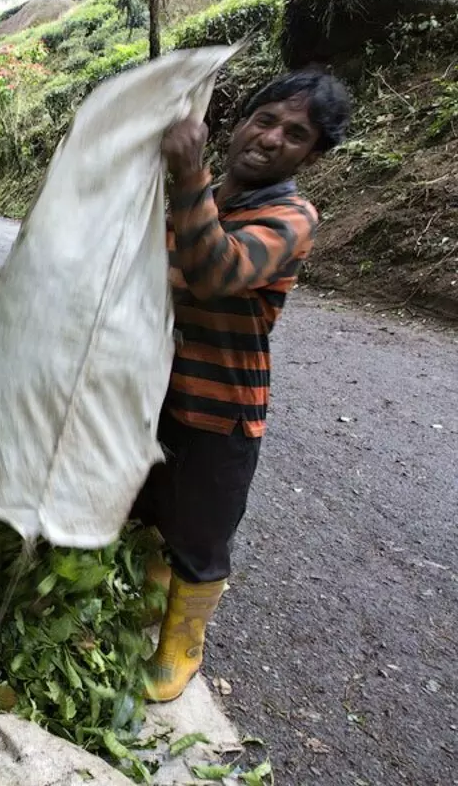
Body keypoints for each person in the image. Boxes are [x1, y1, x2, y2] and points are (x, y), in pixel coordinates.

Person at [135, 71, 352, 702]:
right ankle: (141, 614)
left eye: (296, 134)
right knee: (145, 514)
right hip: (151, 391)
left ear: (311, 154)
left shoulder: (292, 215)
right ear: (240, 120)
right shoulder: (190, 193)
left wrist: (189, 172)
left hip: (220, 408)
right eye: (266, 119)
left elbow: (216, 272)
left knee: (199, 536)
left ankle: (182, 648)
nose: (272, 138)